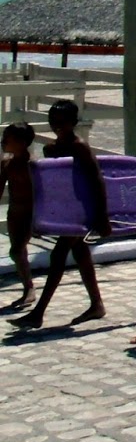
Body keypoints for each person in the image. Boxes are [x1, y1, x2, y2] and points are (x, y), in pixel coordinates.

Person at [11, 100, 110, 330]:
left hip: (83, 211)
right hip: (69, 211)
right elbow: (54, 186)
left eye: (61, 122)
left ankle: (38, 313)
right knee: (81, 253)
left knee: (58, 257)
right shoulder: (54, 148)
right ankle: (96, 304)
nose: (56, 126)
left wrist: (101, 216)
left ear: (73, 123)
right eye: (53, 121)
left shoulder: (80, 146)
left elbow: (97, 181)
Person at [3, 122, 37, 313]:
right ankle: (28, 287)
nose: (3, 141)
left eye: (8, 138)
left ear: (22, 142)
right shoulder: (7, 164)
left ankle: (29, 288)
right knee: (18, 251)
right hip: (14, 214)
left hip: (30, 214)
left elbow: (43, 192)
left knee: (16, 251)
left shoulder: (32, 165)